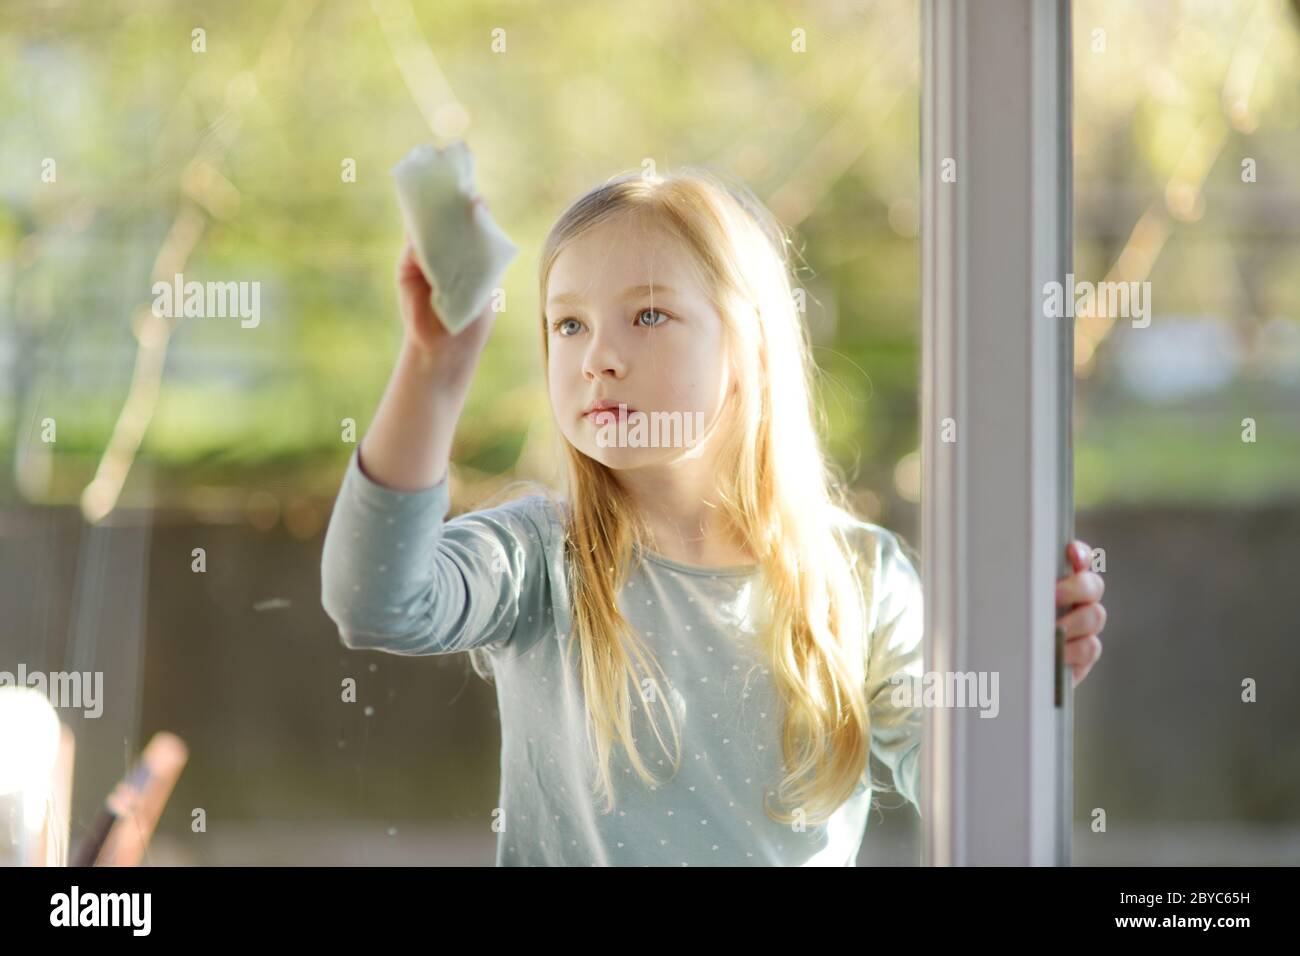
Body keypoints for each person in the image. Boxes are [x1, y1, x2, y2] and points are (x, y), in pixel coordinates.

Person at [320, 166, 1108, 866]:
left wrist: (1023, 676)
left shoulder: (863, 579)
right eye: (570, 324)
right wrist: (433, 370)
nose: (598, 356)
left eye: (650, 315)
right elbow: (375, 602)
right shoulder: (535, 558)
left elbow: (968, 780)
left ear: (749, 349)